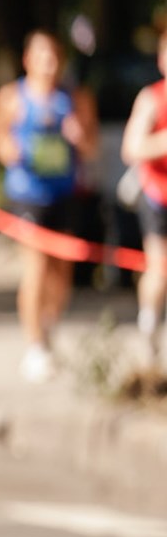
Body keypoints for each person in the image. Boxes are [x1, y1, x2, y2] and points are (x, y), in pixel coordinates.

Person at [0, 30, 97, 381]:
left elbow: (92, 148)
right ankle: (35, 344)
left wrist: (79, 138)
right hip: (26, 194)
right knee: (35, 267)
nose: (48, 64)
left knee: (61, 272)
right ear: (28, 60)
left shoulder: (76, 98)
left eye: (54, 57)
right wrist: (13, 151)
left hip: (64, 194)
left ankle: (47, 330)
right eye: (41, 57)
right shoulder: (12, 97)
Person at [121, 30, 167, 354]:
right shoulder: (151, 98)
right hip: (158, 195)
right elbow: (131, 147)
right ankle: (149, 324)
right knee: (159, 268)